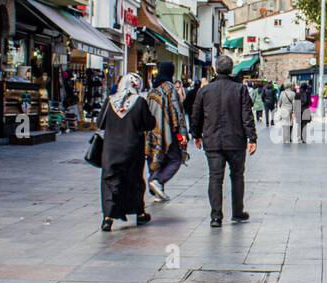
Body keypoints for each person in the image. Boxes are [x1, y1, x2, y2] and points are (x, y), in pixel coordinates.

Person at [191, 55, 257, 228]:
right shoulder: (240, 89)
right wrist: (252, 138)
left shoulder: (204, 90)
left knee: (215, 177)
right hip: (236, 141)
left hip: (212, 140)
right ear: (231, 69)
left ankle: (216, 216)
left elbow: (196, 115)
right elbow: (247, 116)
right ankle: (237, 212)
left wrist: (196, 135)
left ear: (215, 69)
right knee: (237, 176)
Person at [96, 72, 154, 232]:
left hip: (111, 150)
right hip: (132, 149)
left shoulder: (111, 101)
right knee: (133, 181)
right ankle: (139, 213)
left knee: (110, 181)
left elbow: (99, 123)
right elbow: (149, 123)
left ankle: (108, 218)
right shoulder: (139, 102)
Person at [145, 61, 189, 202]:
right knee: (176, 159)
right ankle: (157, 181)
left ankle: (158, 189)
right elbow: (176, 111)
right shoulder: (170, 88)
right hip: (168, 131)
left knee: (156, 157)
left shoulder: (152, 90)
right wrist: (182, 133)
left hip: (152, 132)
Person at [297, 79, 313, 143]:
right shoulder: (308, 93)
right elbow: (310, 103)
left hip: (299, 110)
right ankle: (304, 138)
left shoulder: (298, 94)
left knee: (299, 124)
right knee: (304, 125)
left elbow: (296, 103)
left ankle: (299, 137)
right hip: (306, 110)